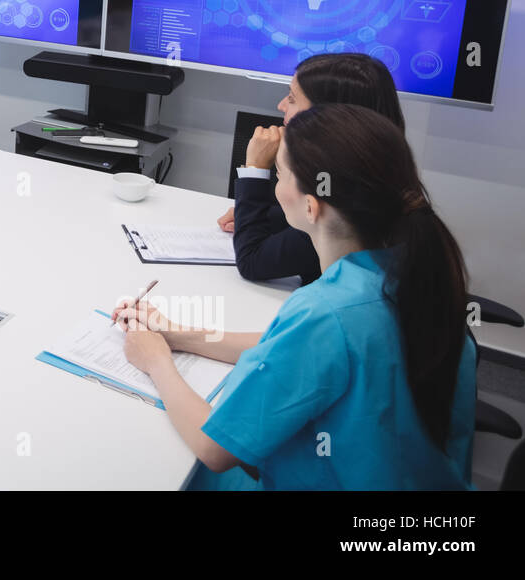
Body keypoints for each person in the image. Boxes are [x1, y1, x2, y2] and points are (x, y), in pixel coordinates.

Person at [115, 104, 476, 489]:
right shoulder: (414, 273)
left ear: (310, 205)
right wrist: (176, 334)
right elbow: (303, 348)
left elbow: (214, 448)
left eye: (280, 174)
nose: (275, 185)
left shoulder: (324, 312)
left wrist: (156, 362)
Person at [216, 53, 406, 285]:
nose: (281, 105)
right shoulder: (367, 175)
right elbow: (300, 220)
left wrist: (255, 168)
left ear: (328, 116)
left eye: (292, 99)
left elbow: (252, 262)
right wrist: (252, 215)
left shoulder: (342, 205)